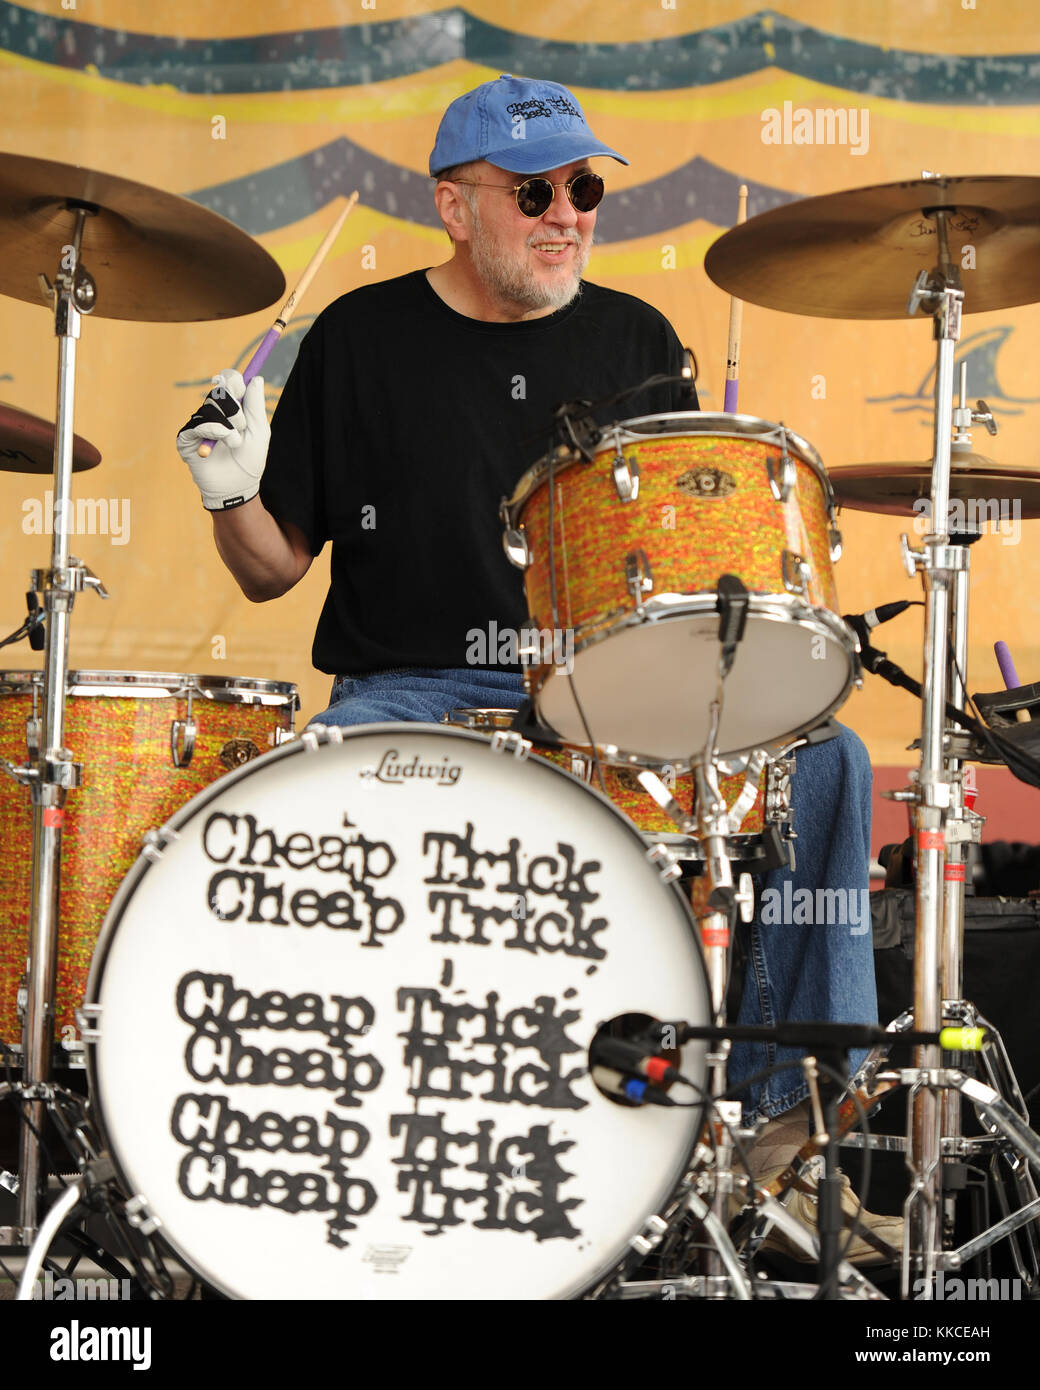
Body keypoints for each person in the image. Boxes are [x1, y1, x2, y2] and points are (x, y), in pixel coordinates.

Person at [177, 73, 897, 1266]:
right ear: (454, 207)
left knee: (824, 761)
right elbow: (270, 571)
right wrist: (231, 490)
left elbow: (673, 560)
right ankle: (369, 1160)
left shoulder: (632, 338)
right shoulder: (356, 339)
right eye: (534, 191)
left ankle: (775, 1133)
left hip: (607, 687)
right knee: (339, 771)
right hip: (412, 686)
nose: (566, 211)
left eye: (584, 188)